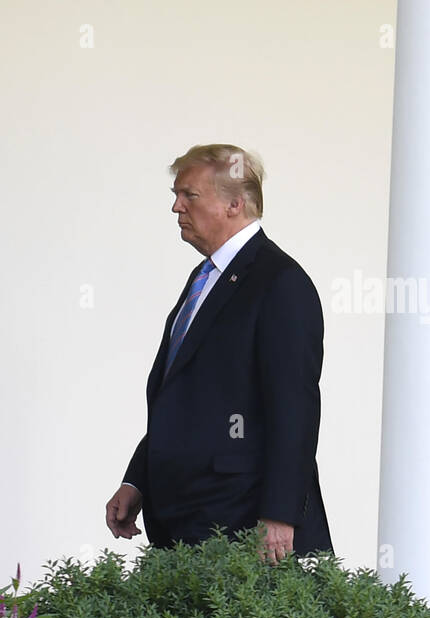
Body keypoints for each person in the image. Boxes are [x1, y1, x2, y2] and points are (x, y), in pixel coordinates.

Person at [105, 144, 333, 563]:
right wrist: (138, 481)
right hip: (186, 523)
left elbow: (294, 409)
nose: (176, 207)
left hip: (244, 528)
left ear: (234, 204)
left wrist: (281, 514)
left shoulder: (280, 282)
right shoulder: (205, 277)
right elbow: (184, 396)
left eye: (189, 195)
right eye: (176, 195)